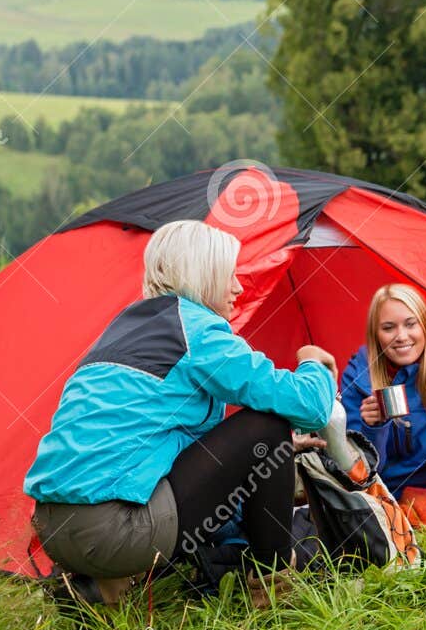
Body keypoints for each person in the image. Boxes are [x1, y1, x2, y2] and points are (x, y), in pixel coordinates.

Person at [25, 220, 339, 605]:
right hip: (113, 532)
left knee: (262, 444)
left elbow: (163, 439)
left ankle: (101, 591)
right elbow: (310, 406)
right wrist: (313, 364)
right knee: (266, 427)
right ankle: (273, 587)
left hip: (53, 530)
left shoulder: (124, 328)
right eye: (229, 276)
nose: (238, 289)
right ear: (203, 276)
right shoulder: (197, 331)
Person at [340, 283, 426, 498]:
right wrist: (373, 429)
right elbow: (358, 467)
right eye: (388, 328)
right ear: (376, 334)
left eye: (410, 324)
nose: (401, 336)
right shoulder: (359, 374)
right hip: (379, 492)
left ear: (425, 326)